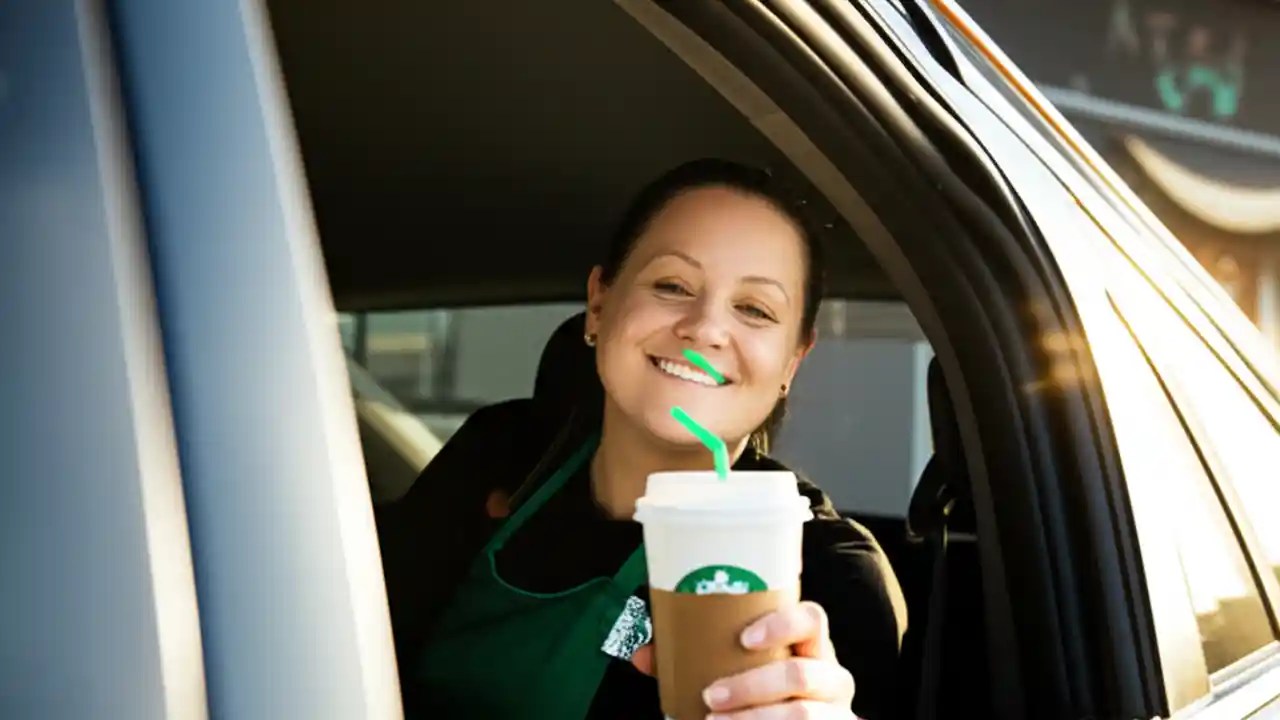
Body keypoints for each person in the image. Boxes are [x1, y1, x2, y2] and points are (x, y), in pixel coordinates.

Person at [379, 159, 908, 719]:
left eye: (754, 309)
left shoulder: (824, 570)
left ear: (793, 363)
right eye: (673, 285)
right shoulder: (502, 451)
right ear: (600, 303)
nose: (705, 327)